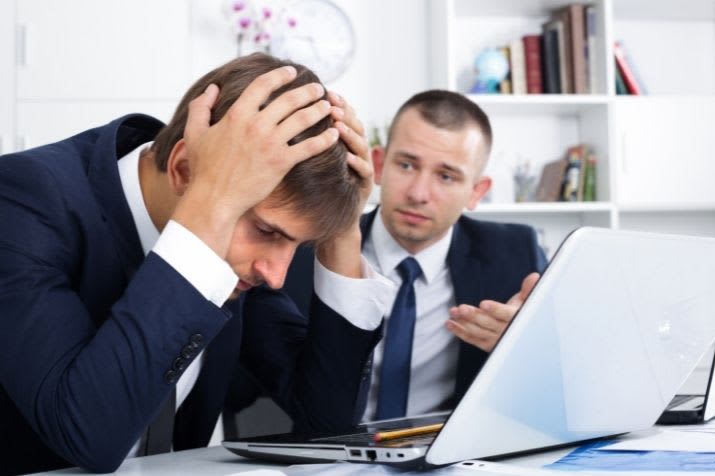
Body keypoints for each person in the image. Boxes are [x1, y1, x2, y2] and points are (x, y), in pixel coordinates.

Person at [0, 53, 393, 475]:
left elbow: (326, 422)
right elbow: (91, 437)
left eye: (300, 244)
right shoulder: (18, 199)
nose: (276, 275)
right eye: (268, 232)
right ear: (185, 171)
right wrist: (210, 207)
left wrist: (342, 232)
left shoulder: (250, 250)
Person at [227, 90, 546, 426]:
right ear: (378, 165)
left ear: (476, 192)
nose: (418, 194)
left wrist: (523, 352)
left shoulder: (515, 252)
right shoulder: (295, 251)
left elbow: (558, 386)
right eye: (406, 165)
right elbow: (236, 382)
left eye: (446, 176)